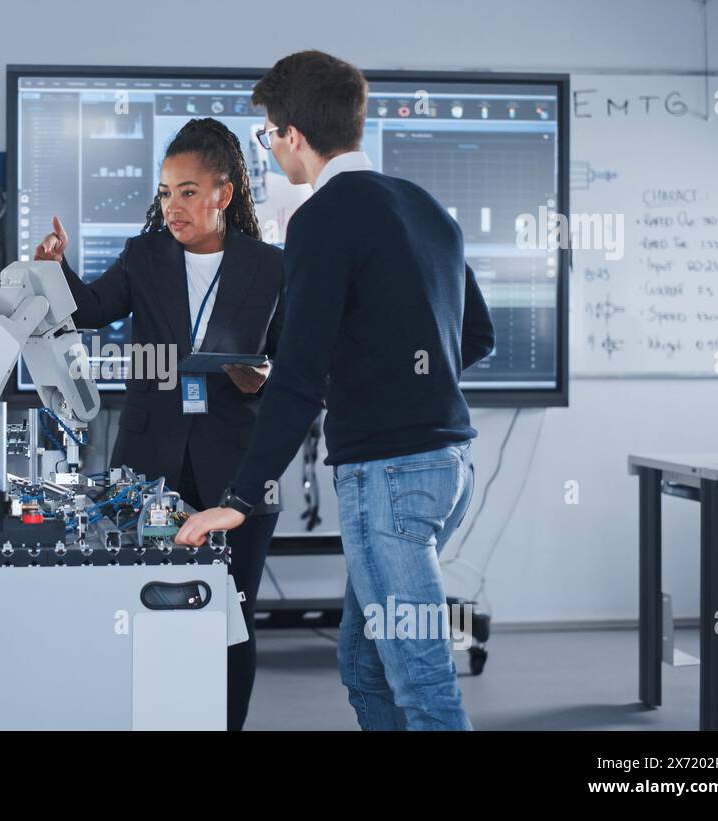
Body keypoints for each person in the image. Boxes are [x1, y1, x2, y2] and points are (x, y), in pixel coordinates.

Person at [176, 52, 496, 731]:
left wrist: (238, 499)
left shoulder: (321, 218)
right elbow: (476, 337)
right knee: (363, 664)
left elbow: (295, 375)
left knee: (423, 682)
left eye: (267, 134)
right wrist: (378, 381)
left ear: (293, 134)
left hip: (388, 479)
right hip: (449, 469)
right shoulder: (427, 208)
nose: (269, 147)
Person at [33, 118, 285, 731]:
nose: (173, 206)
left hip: (238, 466)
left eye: (189, 191)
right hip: (150, 463)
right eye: (166, 192)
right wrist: (53, 268)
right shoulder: (143, 255)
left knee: (233, 617)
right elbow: (92, 309)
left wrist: (264, 375)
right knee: (146, 610)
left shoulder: (272, 266)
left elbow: (297, 365)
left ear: (224, 194)